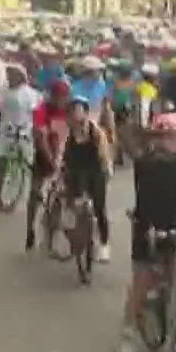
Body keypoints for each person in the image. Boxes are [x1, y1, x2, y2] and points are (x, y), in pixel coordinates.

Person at [120, 113, 176, 352]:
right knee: (142, 279)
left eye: (174, 137)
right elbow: (144, 198)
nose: (168, 142)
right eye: (163, 137)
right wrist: (148, 227)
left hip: (174, 223)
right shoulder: (146, 163)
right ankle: (127, 331)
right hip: (147, 225)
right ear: (155, 139)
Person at [57, 97, 113, 262]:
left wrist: (107, 172)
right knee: (68, 206)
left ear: (86, 113)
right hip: (75, 171)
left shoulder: (96, 133)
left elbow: (104, 155)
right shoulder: (68, 134)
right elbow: (62, 155)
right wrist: (59, 172)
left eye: (79, 111)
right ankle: (68, 242)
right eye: (72, 112)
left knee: (99, 208)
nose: (75, 116)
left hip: (95, 171)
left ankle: (104, 244)